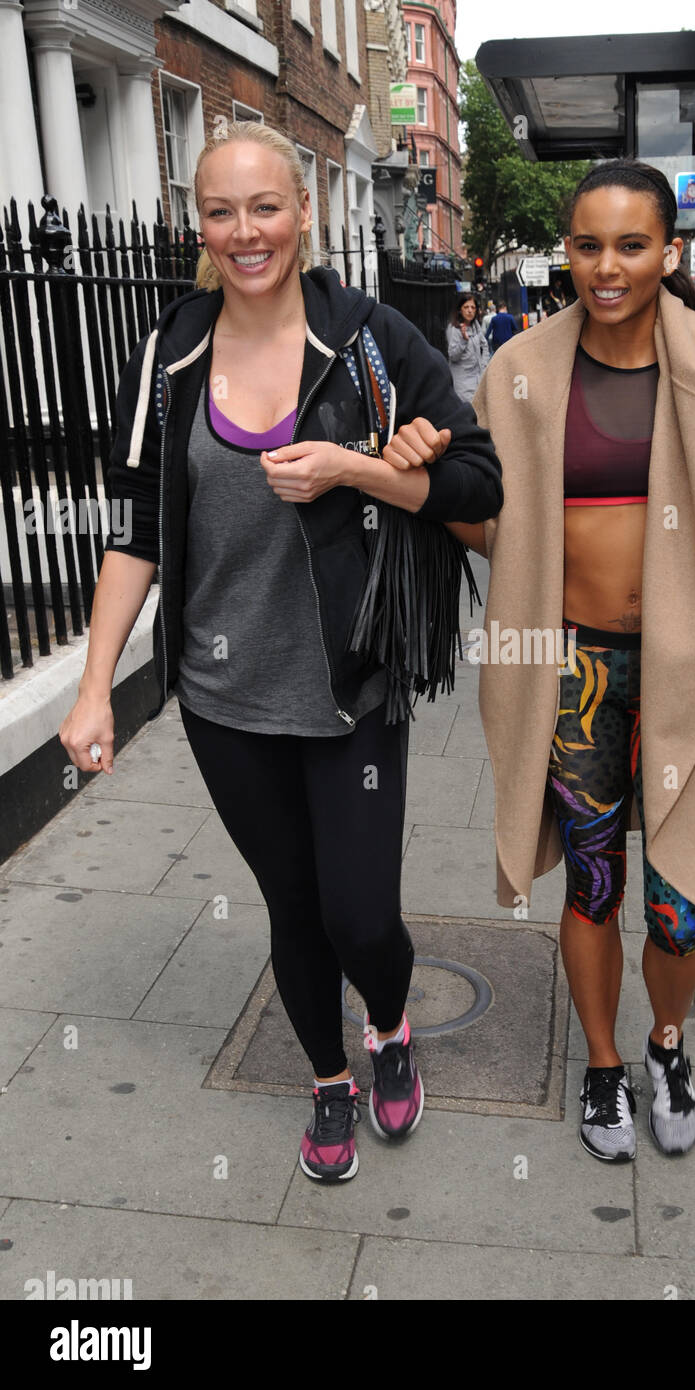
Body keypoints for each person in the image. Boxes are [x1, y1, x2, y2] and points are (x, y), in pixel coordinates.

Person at [58, 121, 502, 1184]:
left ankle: (389, 1023)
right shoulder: (171, 351)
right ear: (196, 225)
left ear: (303, 212)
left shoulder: (370, 341)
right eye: (221, 211)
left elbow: (480, 495)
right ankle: (327, 1079)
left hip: (350, 686)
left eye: (266, 207)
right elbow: (137, 532)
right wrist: (92, 690)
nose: (245, 231)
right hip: (224, 699)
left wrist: (361, 468)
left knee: (360, 912)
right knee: (293, 909)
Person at [447, 159, 695, 1164]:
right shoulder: (520, 370)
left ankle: (665, 1040)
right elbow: (491, 525)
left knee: (679, 908)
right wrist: (405, 481)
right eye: (587, 244)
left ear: (667, 251)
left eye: (630, 245)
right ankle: (604, 1066)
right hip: (578, 672)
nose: (605, 267)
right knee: (594, 885)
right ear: (566, 249)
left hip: (694, 667)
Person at [446, 292, 490, 402]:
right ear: (460, 310)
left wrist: (484, 366)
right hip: (463, 384)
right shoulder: (454, 329)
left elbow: (484, 345)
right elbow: (453, 356)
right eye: (466, 307)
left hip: (478, 380)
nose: (470, 310)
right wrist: (463, 340)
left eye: (473, 307)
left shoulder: (475, 326)